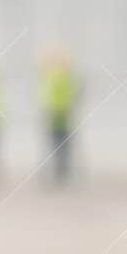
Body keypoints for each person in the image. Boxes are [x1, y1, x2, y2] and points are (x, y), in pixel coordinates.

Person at [38, 52, 80, 184]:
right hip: (59, 118)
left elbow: (55, 97)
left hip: (60, 117)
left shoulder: (58, 77)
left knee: (59, 148)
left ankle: (60, 175)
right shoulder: (61, 77)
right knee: (61, 148)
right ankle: (59, 174)